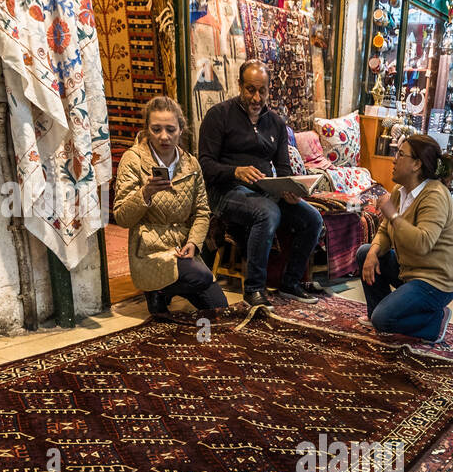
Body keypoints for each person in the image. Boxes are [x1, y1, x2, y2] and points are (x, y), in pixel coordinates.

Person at [197, 60, 323, 306]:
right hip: (226, 192)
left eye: (262, 91)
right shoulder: (219, 116)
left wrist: (289, 189)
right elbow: (205, 165)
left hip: (264, 191)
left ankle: (291, 283)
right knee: (268, 212)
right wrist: (235, 171)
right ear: (239, 86)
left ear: (269, 89)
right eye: (250, 89)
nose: (256, 97)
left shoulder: (275, 122)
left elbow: (284, 167)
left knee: (312, 218)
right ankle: (254, 289)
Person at [113, 96, 228, 316]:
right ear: (147, 129)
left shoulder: (190, 163)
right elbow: (122, 217)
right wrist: (145, 193)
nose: (163, 136)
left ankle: (167, 290)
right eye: (156, 129)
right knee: (201, 276)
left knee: (219, 307)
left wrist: (193, 242)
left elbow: (202, 212)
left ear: (181, 129)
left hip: (182, 249)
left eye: (170, 129)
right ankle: (157, 290)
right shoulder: (133, 160)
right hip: (149, 251)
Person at [355, 133, 453, 343]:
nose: (394, 159)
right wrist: (374, 251)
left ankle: (435, 320)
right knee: (365, 252)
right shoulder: (399, 191)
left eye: (401, 154)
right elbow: (386, 229)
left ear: (416, 165)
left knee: (383, 320)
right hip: (410, 270)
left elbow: (422, 244)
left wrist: (392, 214)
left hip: (436, 280)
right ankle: (379, 311)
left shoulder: (436, 195)